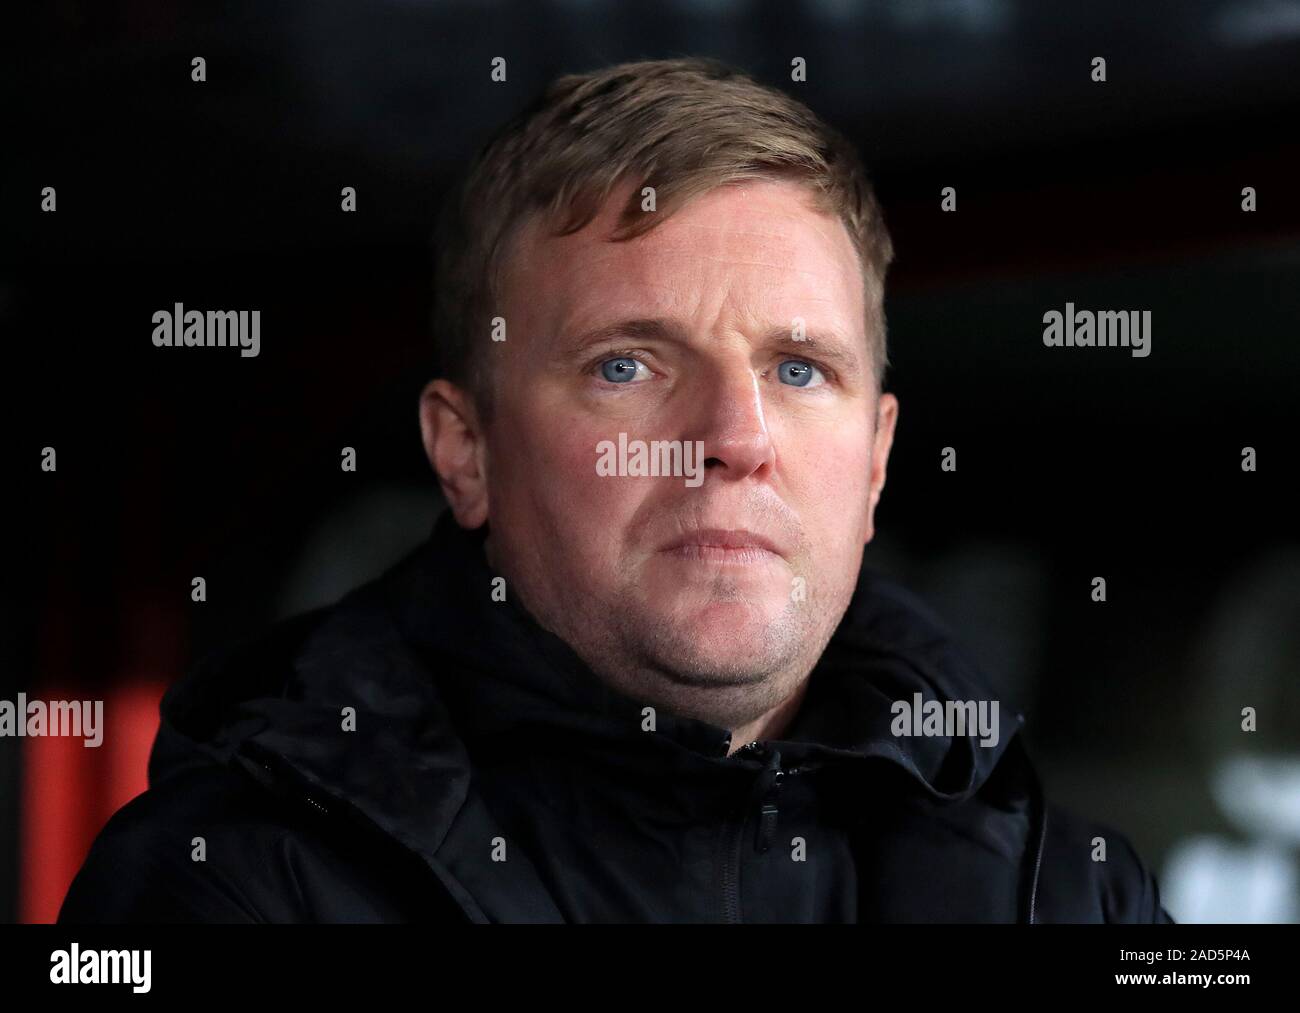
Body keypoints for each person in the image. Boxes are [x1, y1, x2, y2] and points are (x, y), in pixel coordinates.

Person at [59, 57, 1171, 923]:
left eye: (798, 369)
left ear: (875, 463)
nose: (735, 438)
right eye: (627, 365)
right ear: (466, 453)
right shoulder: (231, 885)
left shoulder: (1064, 893)